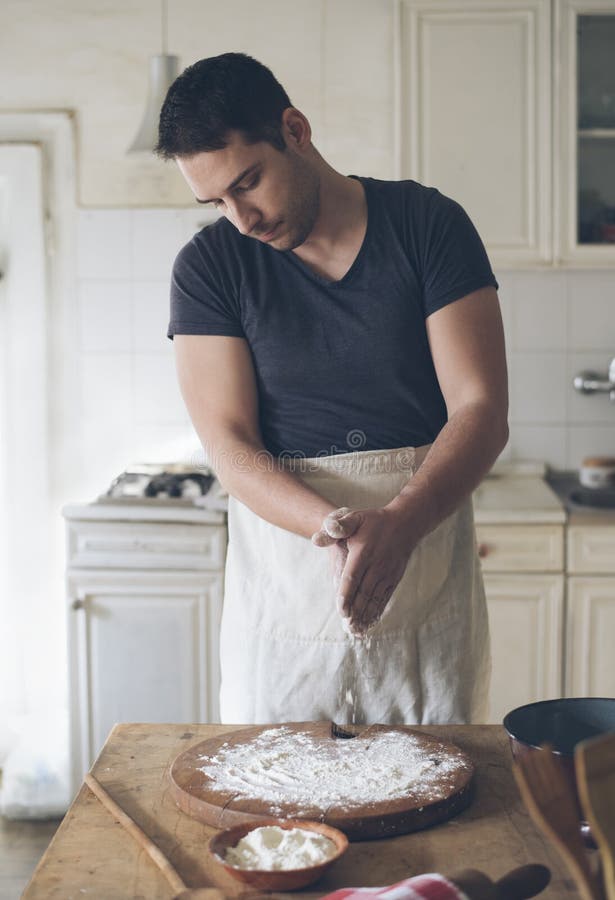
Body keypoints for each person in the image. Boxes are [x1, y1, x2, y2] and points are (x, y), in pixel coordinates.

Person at [156, 52, 509, 726]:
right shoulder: (210, 267)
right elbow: (228, 444)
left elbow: (481, 409)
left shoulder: (426, 225)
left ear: (294, 129)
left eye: (248, 183)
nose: (241, 218)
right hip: (289, 570)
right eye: (216, 203)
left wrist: (401, 523)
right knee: (283, 811)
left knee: (434, 798)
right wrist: (332, 527)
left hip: (425, 556)